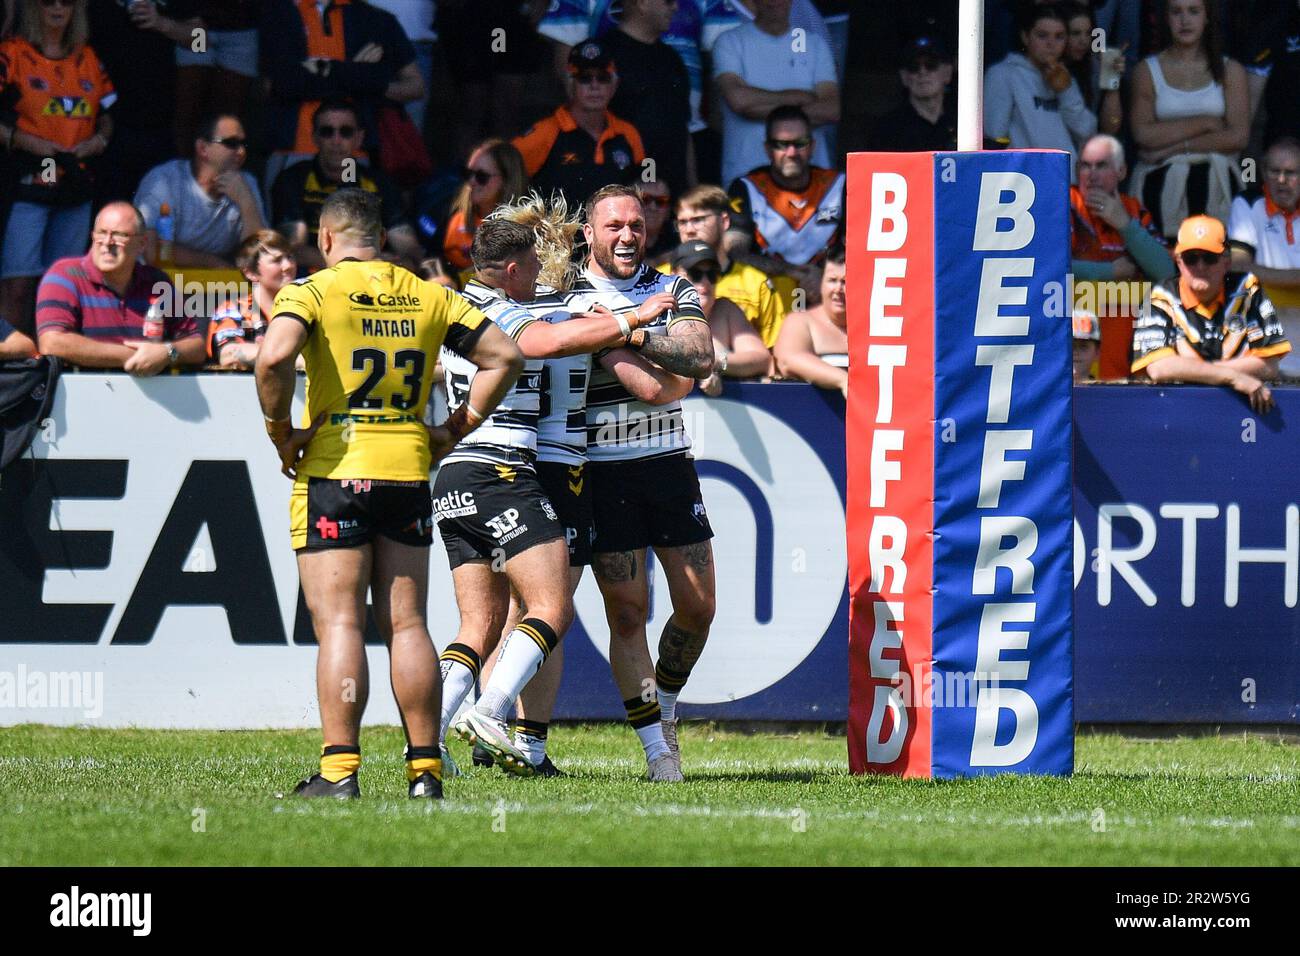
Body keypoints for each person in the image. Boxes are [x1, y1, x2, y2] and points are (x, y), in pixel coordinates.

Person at [253, 188, 522, 800]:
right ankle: (425, 771)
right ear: (379, 237)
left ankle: (339, 772)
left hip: (336, 467)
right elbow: (504, 355)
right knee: (408, 624)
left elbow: (272, 360)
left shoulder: (313, 291)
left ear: (325, 239)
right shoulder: (428, 295)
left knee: (342, 621)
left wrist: (281, 433)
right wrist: (455, 428)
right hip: (406, 467)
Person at [435, 202, 687, 777]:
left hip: (466, 465)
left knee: (490, 618)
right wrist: (632, 322)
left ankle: (440, 740)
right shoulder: (555, 311)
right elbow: (551, 346)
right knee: (548, 608)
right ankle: (499, 721)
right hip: (535, 463)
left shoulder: (454, 305)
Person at [564, 184, 715, 782]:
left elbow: (698, 351)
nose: (627, 235)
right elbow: (656, 386)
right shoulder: (566, 294)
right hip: (600, 468)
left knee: (698, 608)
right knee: (628, 612)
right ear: (588, 233)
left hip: (668, 463)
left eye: (636, 223)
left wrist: (626, 331)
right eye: (613, 226)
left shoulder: (673, 286)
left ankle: (668, 700)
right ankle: (657, 749)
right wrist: (663, 358)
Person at [0, 0, 115, 337]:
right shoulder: (12, 53)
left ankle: (54, 361)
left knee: (62, 284)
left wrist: (100, 141)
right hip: (33, 172)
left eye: (67, 0)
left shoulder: (88, 57)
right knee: (19, 282)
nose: (57, 6)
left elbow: (109, 115)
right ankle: (11, 364)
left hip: (76, 176)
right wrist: (19, 139)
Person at [259, 0, 425, 194]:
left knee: (348, 219)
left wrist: (326, 71)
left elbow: (415, 87)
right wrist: (356, 74)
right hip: (292, 150)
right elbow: (274, 86)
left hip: (352, 154)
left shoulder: (376, 20)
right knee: (291, 222)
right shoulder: (280, 14)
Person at [1132, 214, 1290, 412]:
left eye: (1209, 258)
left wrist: (1192, 371)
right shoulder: (1160, 296)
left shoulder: (1248, 289)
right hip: (1176, 412)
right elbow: (1159, 367)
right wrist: (1233, 377)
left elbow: (1269, 365)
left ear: (1226, 261)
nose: (1200, 267)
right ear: (1179, 261)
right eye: (1191, 258)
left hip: (1241, 410)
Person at [34, 202, 204, 374]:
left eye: (119, 235)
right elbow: (52, 343)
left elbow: (196, 346)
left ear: (142, 244)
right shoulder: (65, 275)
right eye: (101, 233)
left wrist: (167, 353)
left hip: (154, 396)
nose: (107, 242)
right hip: (84, 396)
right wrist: (135, 356)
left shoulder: (157, 282)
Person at [1127, 0, 1250, 238]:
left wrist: (1173, 147)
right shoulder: (1146, 70)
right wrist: (1206, 123)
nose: (1185, 20)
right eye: (1176, 12)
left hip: (1217, 181)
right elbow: (1143, 134)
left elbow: (1238, 136)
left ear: (1206, 17)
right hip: (1159, 181)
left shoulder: (1230, 69)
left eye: (1194, 11)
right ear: (1166, 18)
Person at [271, 99, 422, 272]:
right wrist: (364, 265)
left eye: (346, 132)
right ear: (315, 138)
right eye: (327, 132)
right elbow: (293, 249)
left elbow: (410, 251)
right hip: (313, 280)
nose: (336, 140)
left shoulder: (381, 184)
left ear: (359, 138)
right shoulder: (292, 179)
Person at [1070, 133, 1175, 379]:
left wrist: (1125, 225)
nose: (1091, 174)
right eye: (1085, 166)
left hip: (1122, 345)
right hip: (1075, 344)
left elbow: (1168, 272)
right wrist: (1110, 273)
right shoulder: (1065, 204)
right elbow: (1046, 266)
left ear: (1122, 171)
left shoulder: (1133, 210)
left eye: (1101, 165)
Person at [712, 0, 839, 189]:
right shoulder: (729, 41)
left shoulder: (813, 43)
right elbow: (738, 101)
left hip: (811, 185)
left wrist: (757, 107)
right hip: (746, 180)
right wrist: (798, 97)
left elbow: (831, 109)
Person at [511, 38, 646, 209]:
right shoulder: (545, 133)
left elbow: (642, 193)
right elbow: (502, 172)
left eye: (603, 78)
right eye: (585, 78)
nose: (594, 86)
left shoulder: (628, 134)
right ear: (570, 84)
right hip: (555, 235)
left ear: (614, 85)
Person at [727, 105, 845, 291]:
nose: (791, 153)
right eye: (781, 145)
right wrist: (789, 272)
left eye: (800, 143)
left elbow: (861, 250)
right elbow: (734, 252)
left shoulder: (838, 185)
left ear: (812, 146)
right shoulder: (746, 188)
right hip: (770, 295)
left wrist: (825, 277)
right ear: (767, 149)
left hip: (829, 296)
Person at [133, 113, 267, 268]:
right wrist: (211, 263)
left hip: (216, 287)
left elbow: (260, 259)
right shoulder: (164, 181)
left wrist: (246, 203)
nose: (241, 151)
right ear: (203, 148)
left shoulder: (246, 184)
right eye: (231, 143)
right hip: (158, 285)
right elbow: (151, 251)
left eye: (244, 144)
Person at [983, 3, 1098, 179]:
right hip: (1025, 183)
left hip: (1067, 182)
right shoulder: (1003, 74)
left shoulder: (1065, 76)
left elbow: (1086, 130)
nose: (1051, 44)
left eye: (1059, 37)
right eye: (1042, 35)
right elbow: (994, 135)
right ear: (1025, 37)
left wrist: (1066, 91)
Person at [672, 184, 790, 348]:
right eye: (682, 222)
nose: (689, 230)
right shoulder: (661, 278)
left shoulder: (757, 283)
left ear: (724, 221)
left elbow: (774, 350)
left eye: (698, 220)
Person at [602, 0, 694, 196]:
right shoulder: (604, 55)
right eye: (668, 1)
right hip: (620, 191)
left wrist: (691, 189)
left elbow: (683, 129)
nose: (676, 7)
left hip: (673, 195)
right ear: (642, 3)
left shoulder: (672, 59)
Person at [1229, 136, 1300, 376]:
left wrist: (1267, 275)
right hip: (1264, 351)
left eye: (1290, 173)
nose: (1282, 180)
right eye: (1274, 171)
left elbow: (1250, 268)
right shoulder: (1248, 203)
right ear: (1262, 172)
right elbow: (1238, 266)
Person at [672, 240, 771, 396]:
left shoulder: (724, 310)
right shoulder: (658, 309)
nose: (705, 282)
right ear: (673, 275)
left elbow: (762, 360)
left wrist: (716, 363)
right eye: (695, 274)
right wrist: (700, 370)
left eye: (712, 275)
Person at [206, 230, 297, 370]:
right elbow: (229, 353)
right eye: (277, 260)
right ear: (250, 273)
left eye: (290, 257)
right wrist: (293, 359)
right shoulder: (234, 309)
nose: (288, 266)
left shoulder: (306, 307)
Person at [441, 139, 527, 285]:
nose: (471, 181)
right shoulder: (452, 213)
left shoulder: (525, 228)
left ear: (507, 181)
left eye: (482, 176)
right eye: (468, 173)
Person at [772, 242, 847, 395]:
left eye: (846, 282)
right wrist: (842, 380)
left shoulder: (874, 326)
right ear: (821, 283)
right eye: (832, 280)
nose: (838, 289)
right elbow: (789, 359)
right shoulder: (800, 321)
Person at [869, 35, 958, 152]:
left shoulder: (963, 125)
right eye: (913, 67)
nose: (922, 72)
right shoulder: (887, 130)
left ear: (947, 72)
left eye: (931, 65)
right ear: (904, 76)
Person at [1063, 1, 1125, 136]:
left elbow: (1111, 127)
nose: (1084, 41)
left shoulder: (1095, 66)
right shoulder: (1043, 68)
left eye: (1088, 33)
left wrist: (1112, 80)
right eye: (1075, 33)